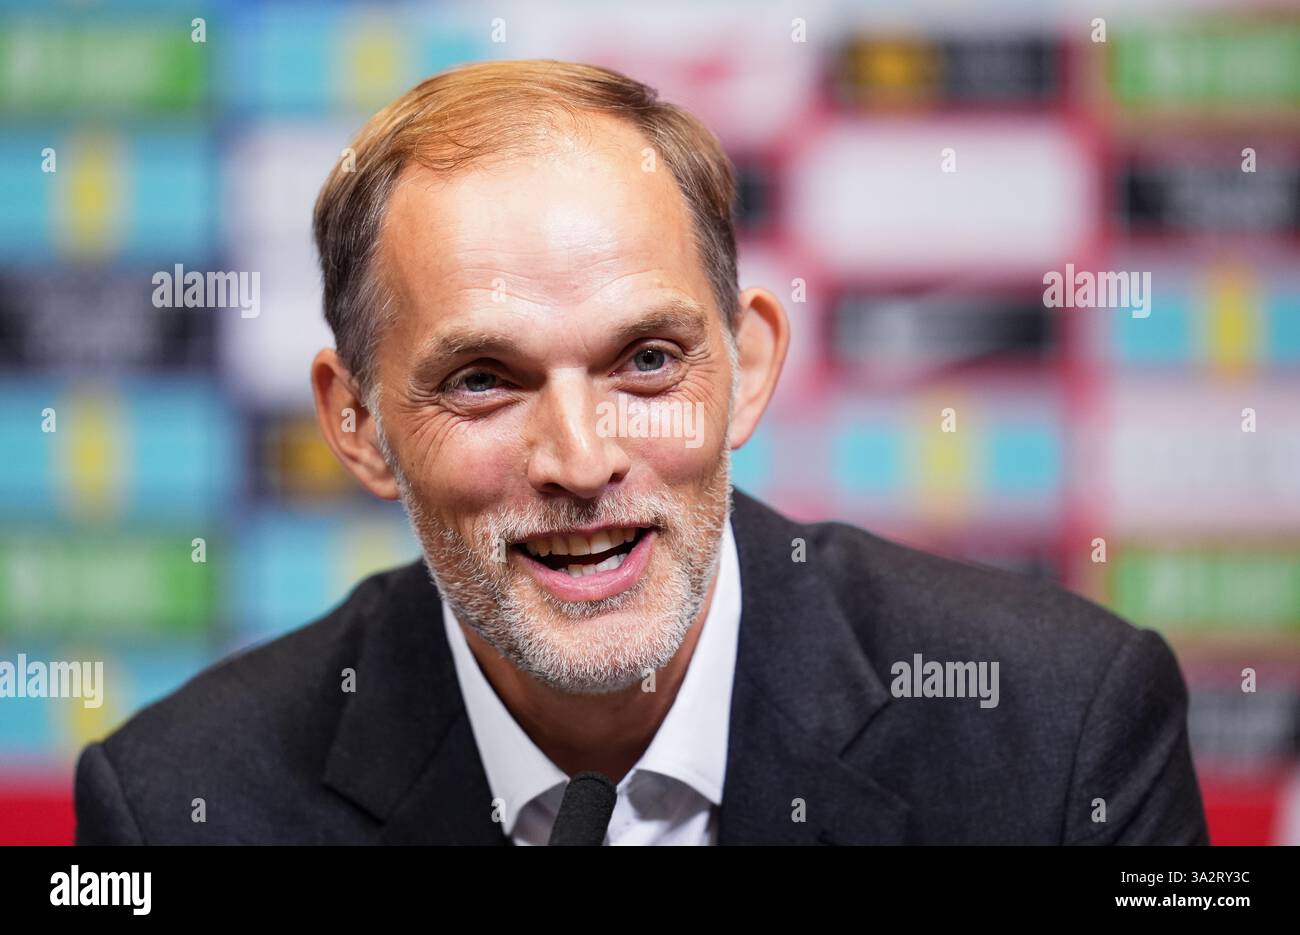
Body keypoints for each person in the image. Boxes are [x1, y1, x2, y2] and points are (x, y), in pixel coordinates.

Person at [74, 59, 1208, 845]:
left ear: (748, 364)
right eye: (484, 379)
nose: (579, 457)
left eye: (647, 361)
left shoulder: (1062, 727)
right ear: (358, 423)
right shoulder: (181, 802)